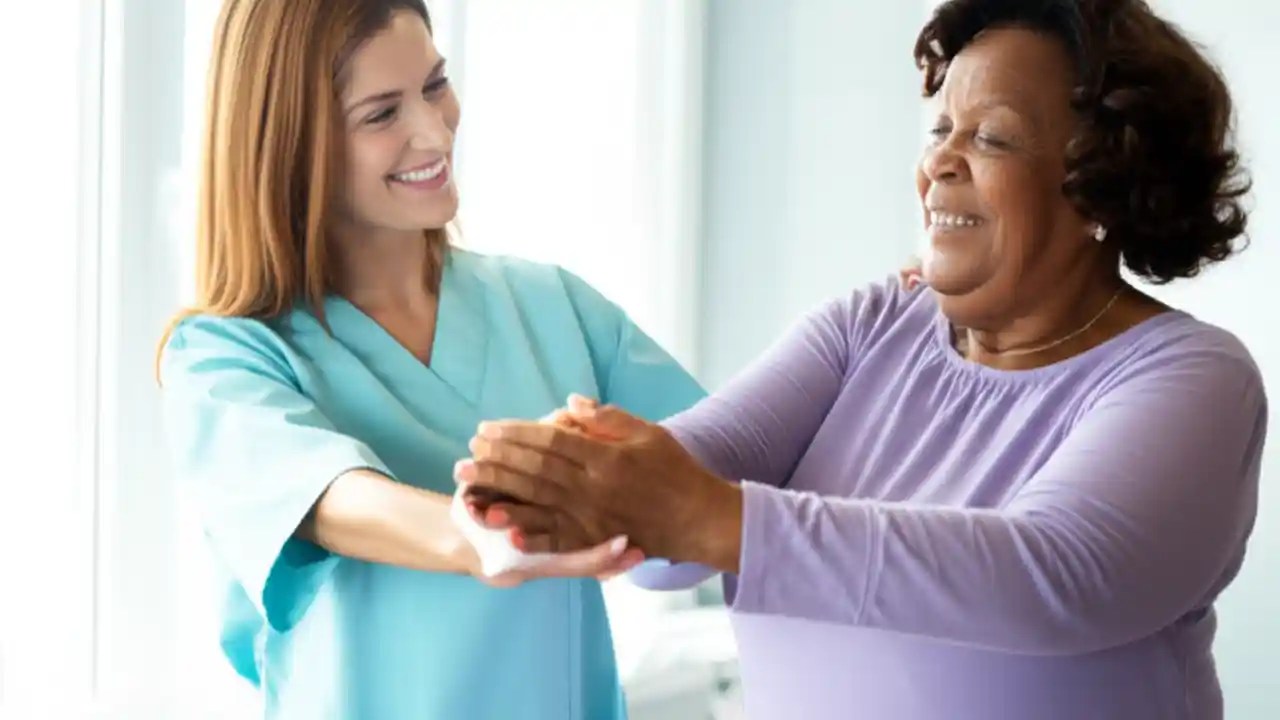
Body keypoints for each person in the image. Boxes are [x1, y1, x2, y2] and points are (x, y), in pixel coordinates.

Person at [460, 1, 1266, 718]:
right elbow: (666, 543)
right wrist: (588, 486)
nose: (939, 162)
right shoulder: (871, 326)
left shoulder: (1191, 379)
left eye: (990, 136)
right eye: (939, 130)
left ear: (1102, 187)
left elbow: (1054, 578)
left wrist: (707, 515)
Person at [156, 1, 703, 717]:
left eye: (435, 84)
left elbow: (728, 464)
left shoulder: (551, 307)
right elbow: (324, 498)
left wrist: (881, 332)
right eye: (382, 114)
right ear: (294, 145)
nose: (434, 128)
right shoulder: (224, 361)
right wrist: (475, 534)